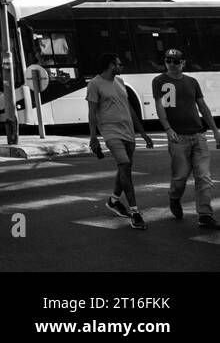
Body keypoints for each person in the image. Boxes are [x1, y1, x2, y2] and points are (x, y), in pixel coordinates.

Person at [151, 49, 218, 230]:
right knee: (180, 176)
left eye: (175, 61)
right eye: (168, 60)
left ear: (183, 63)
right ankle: (174, 197)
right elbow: (160, 105)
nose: (171, 64)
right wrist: (167, 128)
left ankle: (205, 215)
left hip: (198, 134)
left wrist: (215, 131)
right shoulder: (159, 81)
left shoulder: (192, 82)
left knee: (204, 176)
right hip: (177, 137)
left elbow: (202, 107)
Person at [88, 52, 154, 229]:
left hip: (128, 132)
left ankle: (113, 201)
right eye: (119, 64)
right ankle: (135, 212)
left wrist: (143, 133)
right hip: (111, 132)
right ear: (110, 65)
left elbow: (130, 109)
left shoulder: (120, 82)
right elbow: (92, 113)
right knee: (125, 167)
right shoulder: (94, 84)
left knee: (124, 168)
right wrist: (93, 138)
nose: (121, 67)